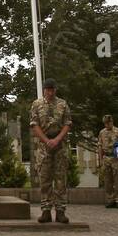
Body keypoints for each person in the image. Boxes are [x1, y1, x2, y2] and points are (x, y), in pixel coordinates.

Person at [30, 79, 72, 223]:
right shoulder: (37, 104)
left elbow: (67, 124)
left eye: (52, 89)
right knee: (45, 179)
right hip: (44, 145)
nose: (50, 92)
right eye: (48, 89)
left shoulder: (63, 104)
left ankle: (60, 211)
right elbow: (34, 125)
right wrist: (46, 140)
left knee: (60, 180)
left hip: (59, 145)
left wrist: (57, 139)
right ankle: (46, 210)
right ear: (44, 90)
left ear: (55, 90)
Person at [96, 114, 118, 208]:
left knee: (117, 180)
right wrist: (100, 159)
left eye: (108, 123)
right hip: (106, 158)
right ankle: (110, 199)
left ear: (112, 122)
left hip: (116, 158)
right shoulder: (102, 132)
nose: (107, 125)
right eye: (105, 123)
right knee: (107, 180)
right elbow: (100, 146)